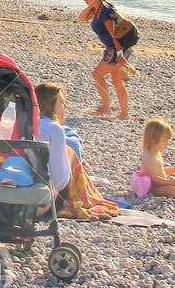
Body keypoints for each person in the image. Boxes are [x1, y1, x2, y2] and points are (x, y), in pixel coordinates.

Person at [35, 82, 120, 219]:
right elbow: (60, 180)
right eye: (61, 102)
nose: (65, 107)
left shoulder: (21, 124)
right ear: (50, 104)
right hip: (47, 198)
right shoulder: (53, 129)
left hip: (14, 190)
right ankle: (82, 195)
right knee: (69, 151)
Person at [80, 0, 128, 119]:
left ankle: (106, 108)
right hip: (115, 49)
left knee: (97, 75)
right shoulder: (97, 9)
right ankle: (124, 113)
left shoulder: (105, 12)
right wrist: (91, 4)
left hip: (116, 49)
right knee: (117, 80)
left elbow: (114, 36)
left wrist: (120, 55)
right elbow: (82, 18)